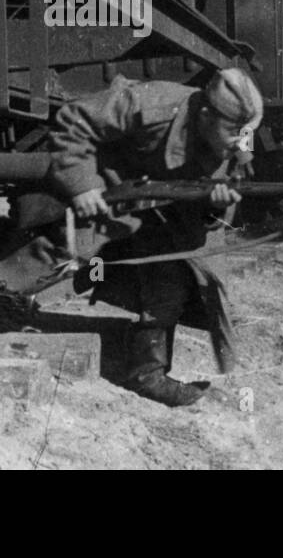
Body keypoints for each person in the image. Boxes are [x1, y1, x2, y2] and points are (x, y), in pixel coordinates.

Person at [48, 68, 264, 407]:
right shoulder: (150, 103)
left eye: (245, 134)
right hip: (103, 188)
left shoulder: (233, 141)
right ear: (206, 116)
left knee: (176, 270)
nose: (242, 142)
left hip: (158, 208)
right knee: (43, 260)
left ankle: (147, 374)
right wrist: (82, 184)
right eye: (233, 132)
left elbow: (209, 220)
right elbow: (74, 119)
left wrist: (214, 206)